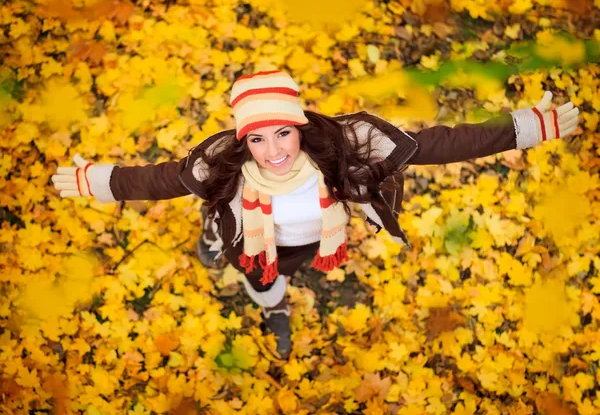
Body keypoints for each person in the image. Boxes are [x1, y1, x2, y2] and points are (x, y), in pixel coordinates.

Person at [51, 70, 580, 359]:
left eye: (282, 132)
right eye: (256, 138)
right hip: (252, 235)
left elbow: (439, 143)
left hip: (305, 240)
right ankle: (251, 280)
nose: (273, 149)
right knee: (256, 270)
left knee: (289, 266)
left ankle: (257, 273)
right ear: (244, 140)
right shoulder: (227, 164)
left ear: (300, 126)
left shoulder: (344, 147)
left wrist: (524, 128)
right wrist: (95, 181)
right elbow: (158, 179)